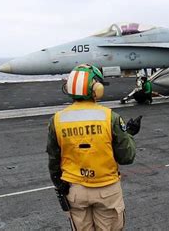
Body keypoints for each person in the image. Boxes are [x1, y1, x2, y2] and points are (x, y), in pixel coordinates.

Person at [47, 64, 142, 230]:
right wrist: (129, 135)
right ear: (96, 88)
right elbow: (127, 157)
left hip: (74, 190)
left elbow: (54, 160)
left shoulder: (57, 120)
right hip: (106, 190)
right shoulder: (110, 117)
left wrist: (58, 184)